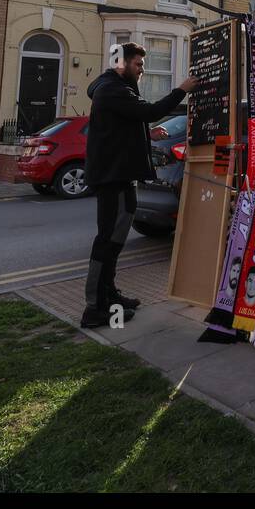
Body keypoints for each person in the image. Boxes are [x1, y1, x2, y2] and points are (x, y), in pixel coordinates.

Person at [81, 41, 199, 328]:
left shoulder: (114, 89)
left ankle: (110, 295)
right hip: (113, 176)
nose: (142, 69)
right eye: (138, 64)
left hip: (120, 174)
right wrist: (182, 89)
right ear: (121, 63)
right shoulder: (112, 89)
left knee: (116, 238)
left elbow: (123, 126)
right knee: (108, 240)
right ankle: (95, 307)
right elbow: (149, 110)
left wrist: (148, 134)